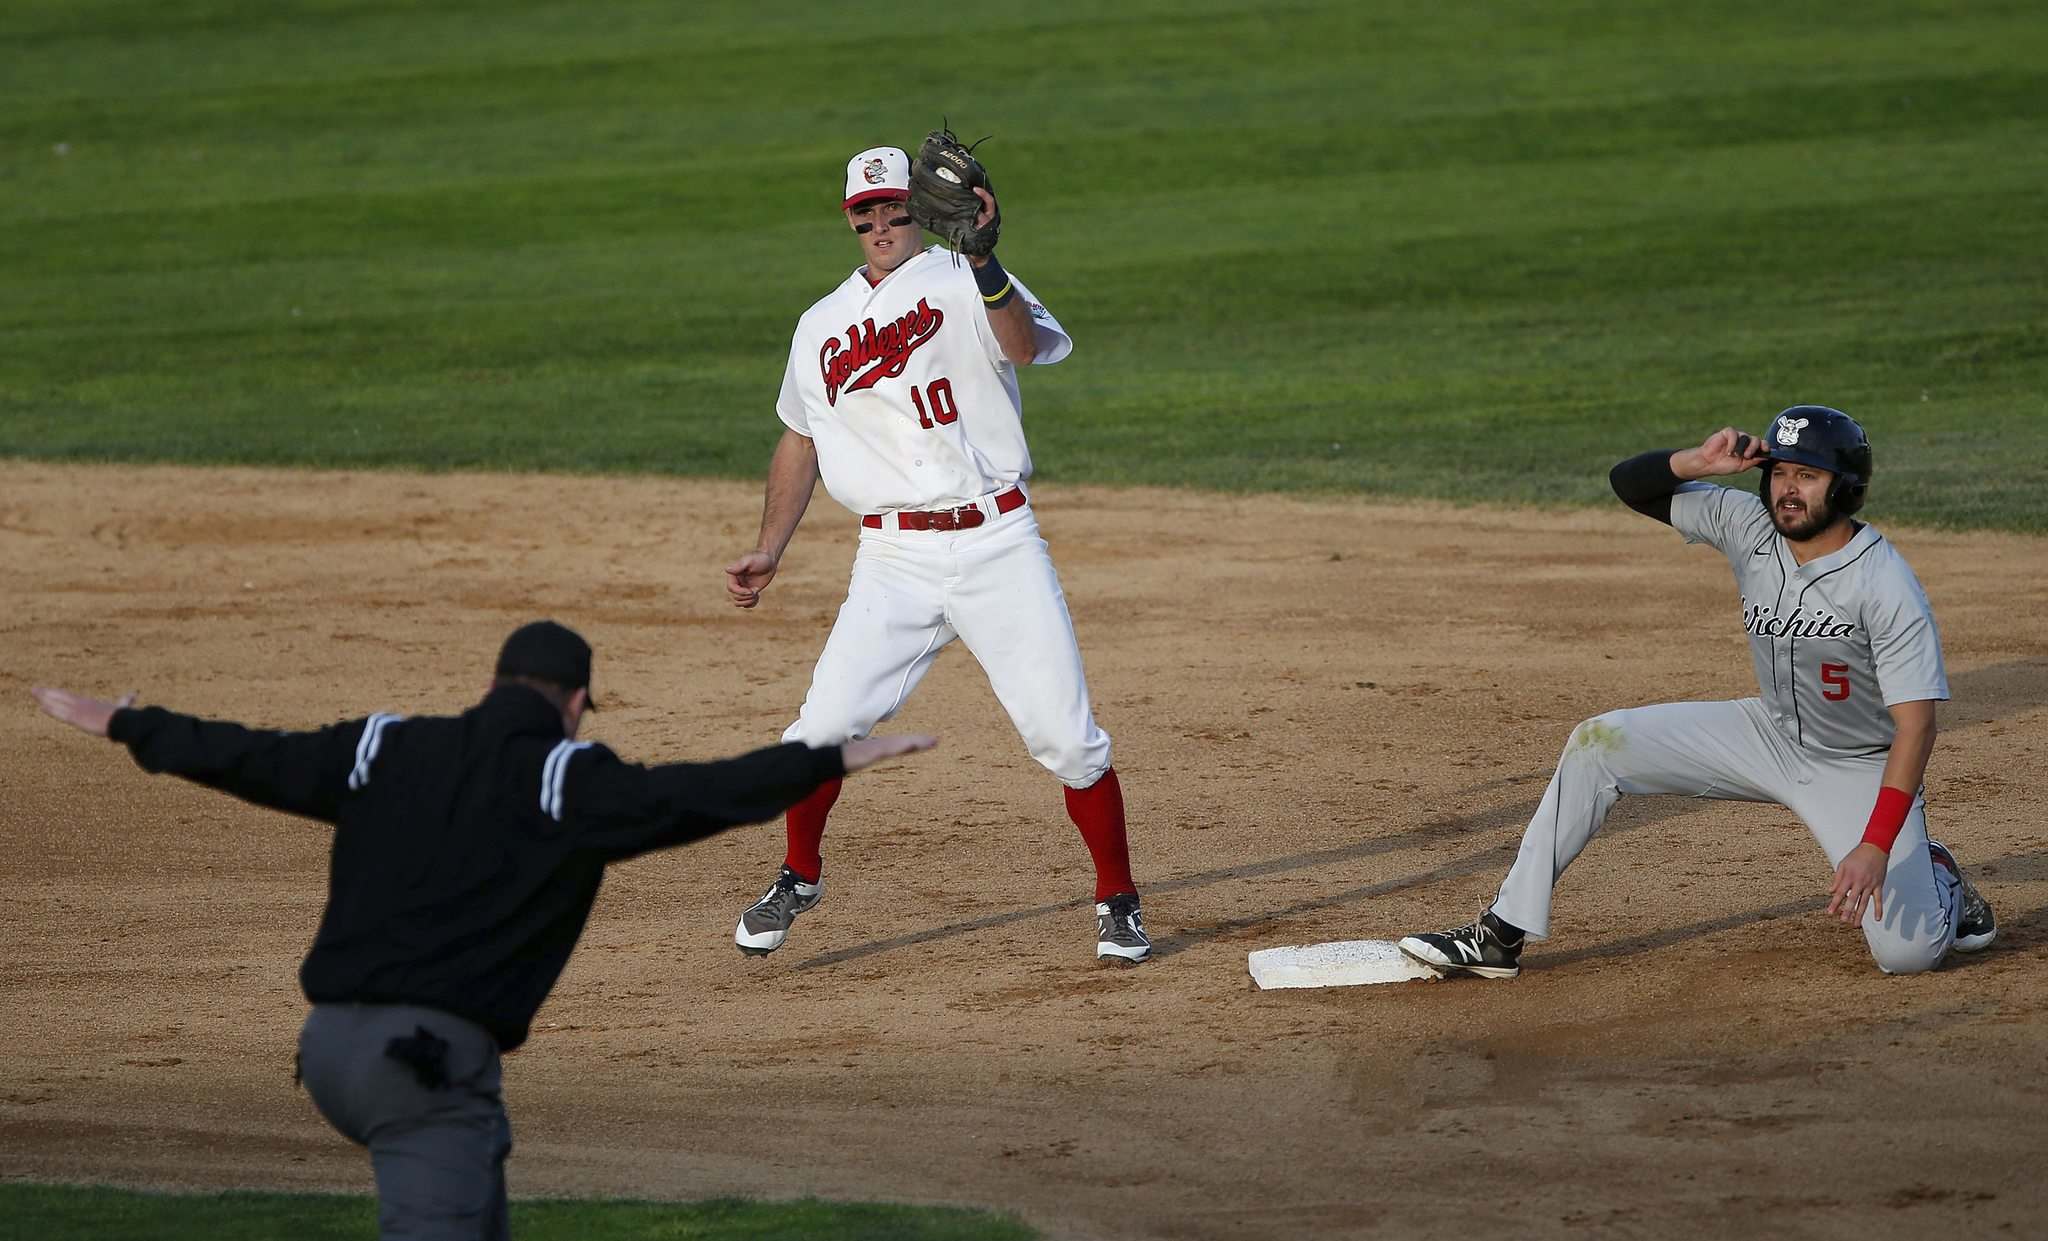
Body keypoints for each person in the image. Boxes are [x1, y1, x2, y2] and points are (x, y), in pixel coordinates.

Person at [30, 620, 935, 1241]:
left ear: (490, 684)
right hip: (419, 1067)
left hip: (330, 1048)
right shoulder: (567, 782)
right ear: (576, 702)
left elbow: (250, 755)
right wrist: (827, 754)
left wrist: (131, 723)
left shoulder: (383, 746)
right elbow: (689, 794)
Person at [721, 142, 1149, 965]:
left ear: (923, 213)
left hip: (997, 543)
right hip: (893, 562)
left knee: (1066, 739)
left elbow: (1024, 348)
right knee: (818, 731)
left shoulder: (967, 280)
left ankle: (1117, 897)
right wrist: (771, 546)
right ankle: (799, 873)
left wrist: (987, 260)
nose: (882, 224)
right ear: (851, 221)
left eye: (896, 210)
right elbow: (800, 436)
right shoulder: (819, 326)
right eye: (866, 214)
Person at [1399, 407, 1996, 980]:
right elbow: (1630, 485)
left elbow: (1917, 727)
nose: (1787, 490)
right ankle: (1502, 933)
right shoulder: (1749, 525)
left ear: (1845, 488)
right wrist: (1696, 462)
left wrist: (1874, 845)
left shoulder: (1885, 584)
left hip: (1859, 768)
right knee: (1598, 744)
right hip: (1768, 734)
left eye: (1807, 476)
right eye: (1780, 473)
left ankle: (1938, 872)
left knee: (1907, 955)